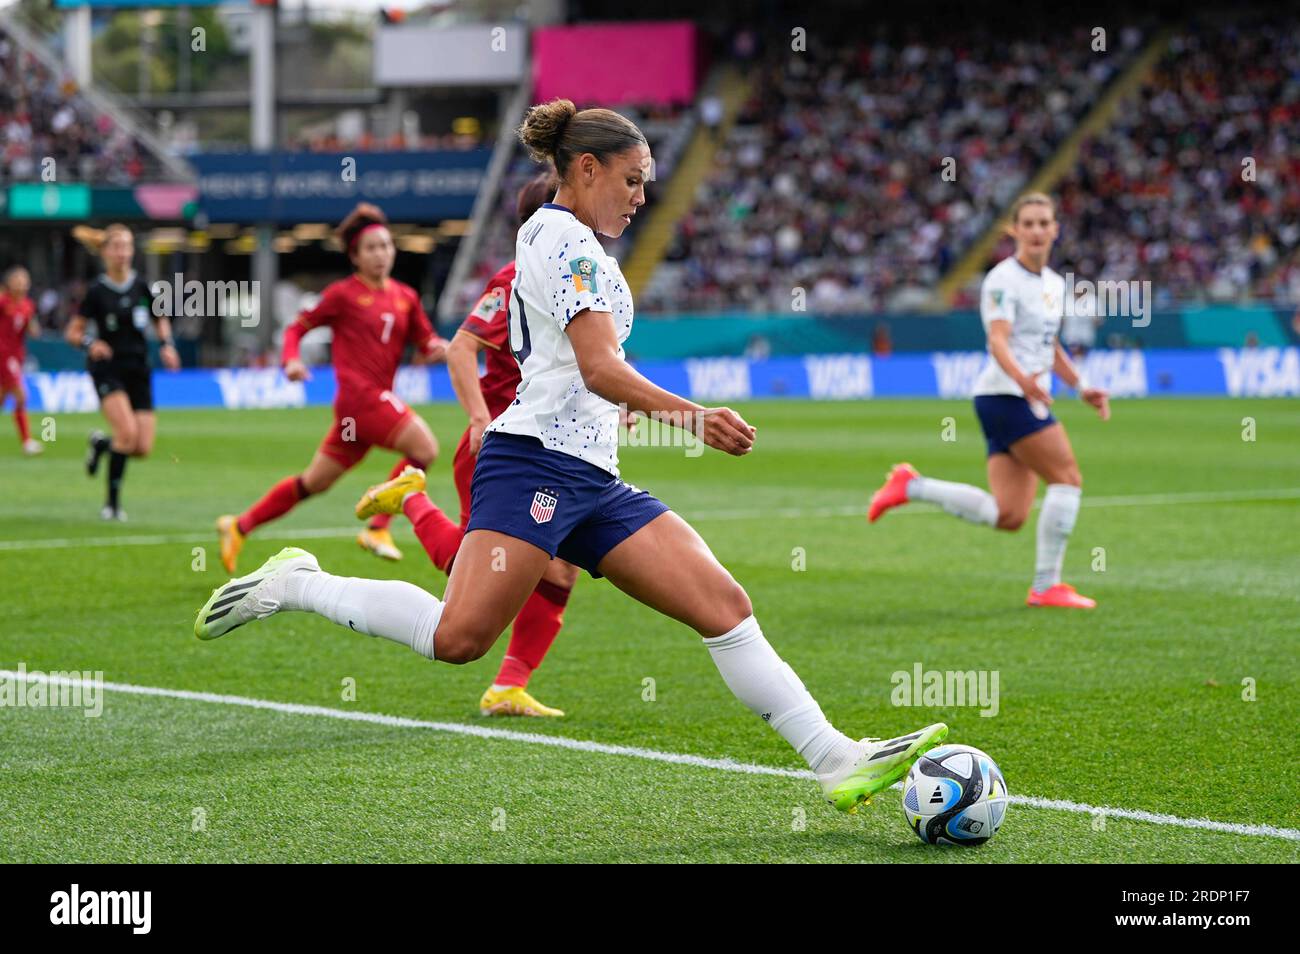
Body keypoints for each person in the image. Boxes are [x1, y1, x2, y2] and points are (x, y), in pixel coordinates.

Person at [196, 99, 947, 815]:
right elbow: (596, 367)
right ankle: (297, 582)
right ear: (585, 169)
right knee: (459, 639)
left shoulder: (575, 245)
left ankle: (837, 760)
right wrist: (694, 418)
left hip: (592, 476)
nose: (641, 197)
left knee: (724, 607)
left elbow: (586, 368)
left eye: (647, 182)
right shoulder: (561, 239)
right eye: (632, 179)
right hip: (535, 465)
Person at [356, 174, 579, 718]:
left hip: (553, 454)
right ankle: (411, 497)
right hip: (499, 451)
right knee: (473, 578)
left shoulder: (576, 277)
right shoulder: (514, 278)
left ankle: (508, 685)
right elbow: (460, 350)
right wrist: (480, 417)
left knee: (559, 569)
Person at [868, 193, 1111, 608]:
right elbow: (998, 340)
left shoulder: (1053, 284)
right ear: (1015, 230)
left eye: (1043, 223)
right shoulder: (1002, 279)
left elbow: (1047, 345)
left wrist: (1080, 384)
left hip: (1017, 396)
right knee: (1067, 479)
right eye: (1028, 223)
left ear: (1055, 229)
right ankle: (1046, 586)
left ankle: (912, 486)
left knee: (1009, 515)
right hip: (1006, 395)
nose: (1036, 231)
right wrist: (1024, 381)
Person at [215, 203, 448, 573]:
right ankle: (377, 526)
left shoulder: (406, 297)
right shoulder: (343, 295)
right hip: (360, 399)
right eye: (371, 248)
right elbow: (296, 328)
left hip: (363, 414)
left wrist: (446, 349)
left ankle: (239, 526)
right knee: (425, 448)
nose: (380, 253)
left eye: (385, 246)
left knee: (314, 482)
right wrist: (291, 359)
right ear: (354, 256)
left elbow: (428, 342)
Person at [65, 225, 181, 519]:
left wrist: (166, 345)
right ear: (105, 252)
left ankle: (101, 444)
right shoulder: (97, 291)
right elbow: (74, 332)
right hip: (108, 369)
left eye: (127, 246)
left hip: (138, 368)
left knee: (141, 447)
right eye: (116, 247)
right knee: (126, 433)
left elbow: (160, 318)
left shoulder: (142, 286)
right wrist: (91, 342)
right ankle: (112, 505)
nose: (122, 253)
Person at [0, 266, 43, 456]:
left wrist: (32, 324)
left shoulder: (27, 305)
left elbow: (33, 331)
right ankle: (27, 442)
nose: (21, 283)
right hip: (3, 355)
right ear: (9, 283)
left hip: (16, 356)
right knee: (21, 396)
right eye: (17, 279)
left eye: (24, 279)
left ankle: (26, 442)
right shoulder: (3, 302)